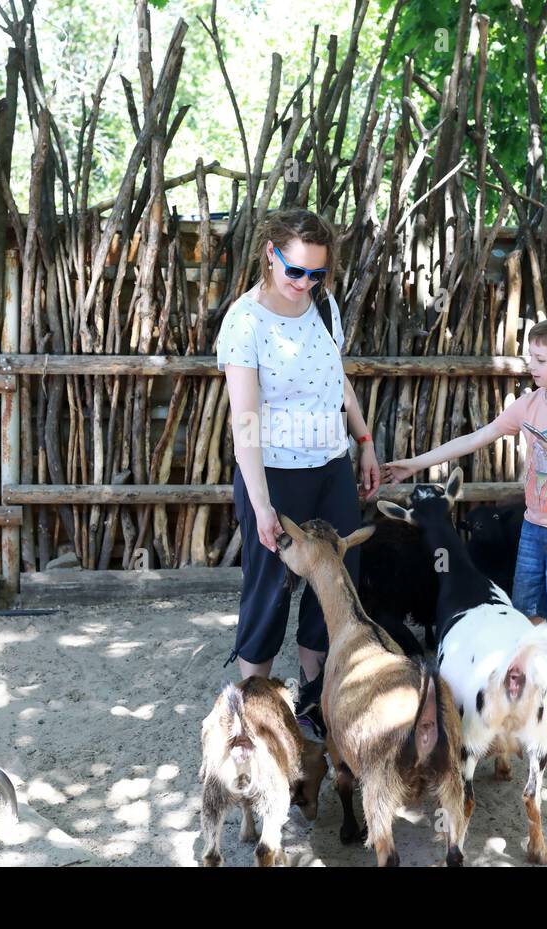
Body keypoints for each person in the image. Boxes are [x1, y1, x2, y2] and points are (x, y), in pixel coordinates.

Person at [382, 316, 547, 738]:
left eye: (539, 358)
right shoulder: (529, 404)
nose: (530, 365)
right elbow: (478, 437)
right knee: (524, 618)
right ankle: (527, 698)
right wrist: (417, 464)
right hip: (534, 528)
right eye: (530, 356)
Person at [215, 208, 381, 738]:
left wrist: (365, 440)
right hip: (274, 475)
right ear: (271, 254)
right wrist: (262, 505)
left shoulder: (323, 305)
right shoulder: (245, 322)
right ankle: (252, 709)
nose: (305, 283)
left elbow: (338, 379)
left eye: (317, 274)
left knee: (332, 579)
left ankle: (313, 697)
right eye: (295, 272)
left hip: (330, 466)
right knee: (268, 588)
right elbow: (244, 422)